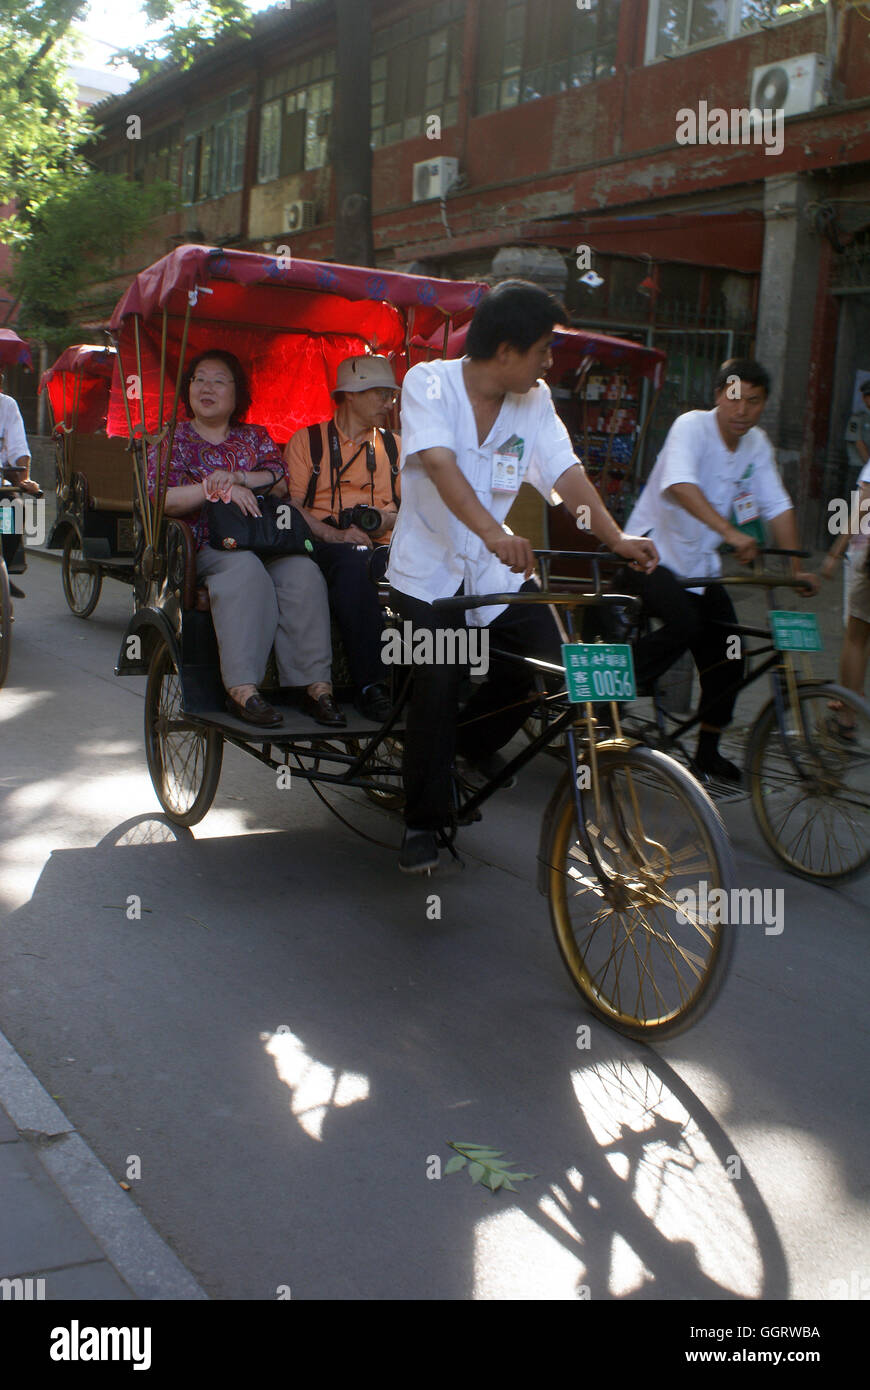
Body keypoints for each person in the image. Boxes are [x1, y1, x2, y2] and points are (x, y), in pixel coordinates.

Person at [386, 279, 659, 873]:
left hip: (496, 573)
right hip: (428, 576)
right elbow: (439, 463)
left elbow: (566, 475)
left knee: (551, 662)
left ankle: (466, 749)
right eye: (543, 349)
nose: (550, 363)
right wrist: (493, 532)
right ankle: (423, 820)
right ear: (505, 350)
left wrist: (616, 538)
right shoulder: (427, 382)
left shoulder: (533, 401)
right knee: (439, 675)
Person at [621, 358, 819, 781]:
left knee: (731, 653)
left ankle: (707, 751)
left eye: (753, 401)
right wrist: (730, 532)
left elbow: (777, 505)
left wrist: (795, 565)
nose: (742, 410)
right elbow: (679, 484)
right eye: (734, 398)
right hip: (647, 554)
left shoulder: (757, 445)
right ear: (717, 396)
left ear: (763, 405)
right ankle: (609, 694)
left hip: (701, 568)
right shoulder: (691, 426)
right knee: (686, 625)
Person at [149, 349, 343, 728]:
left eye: (219, 380)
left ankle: (314, 687)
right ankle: (242, 689)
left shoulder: (254, 437)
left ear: (237, 394)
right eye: (199, 379)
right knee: (244, 571)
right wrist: (215, 488)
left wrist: (237, 478)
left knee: (303, 574)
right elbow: (165, 500)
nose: (207, 387)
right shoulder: (173, 440)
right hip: (206, 546)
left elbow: (279, 480)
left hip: (266, 538)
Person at [281, 355, 399, 721]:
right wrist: (335, 534)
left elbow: (414, 511)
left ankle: (446, 674)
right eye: (381, 394)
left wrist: (381, 519)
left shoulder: (396, 446)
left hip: (387, 543)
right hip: (327, 543)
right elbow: (291, 507)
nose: (387, 404)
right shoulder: (308, 442)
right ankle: (371, 684)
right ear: (350, 394)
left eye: (390, 396)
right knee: (353, 559)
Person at [821, 457, 870, 735]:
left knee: (854, 637)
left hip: (866, 557)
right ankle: (853, 698)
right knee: (864, 636)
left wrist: (834, 553)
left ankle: (847, 717)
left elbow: (864, 506)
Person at [0, 368, 40, 598]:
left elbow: (17, 446)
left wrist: (24, 479)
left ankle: (3, 569)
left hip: (1, 482)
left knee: (14, 509)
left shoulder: (7, 406)